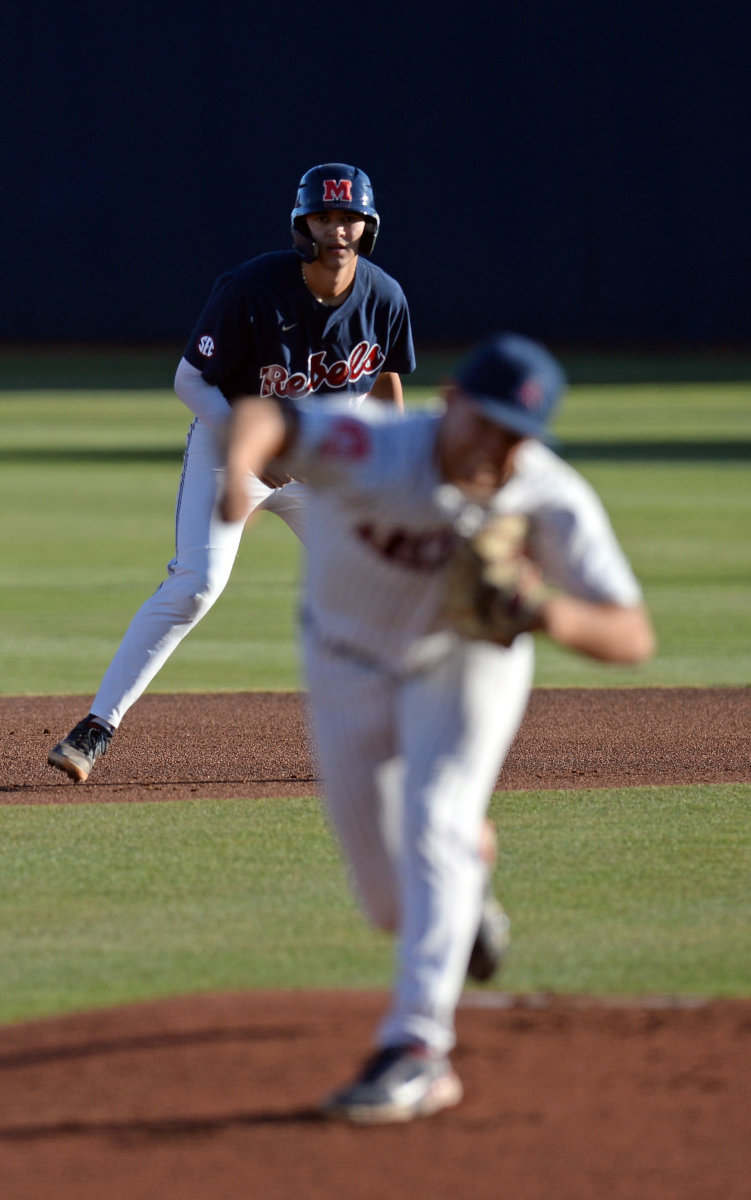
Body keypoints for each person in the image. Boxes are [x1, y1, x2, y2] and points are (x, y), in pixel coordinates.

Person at [218, 332, 656, 1124]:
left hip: (463, 665)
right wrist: (228, 484)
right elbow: (264, 417)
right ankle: (472, 881)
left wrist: (543, 610)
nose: (496, 448)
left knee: (434, 823)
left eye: (516, 436)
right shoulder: (379, 443)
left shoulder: (545, 494)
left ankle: (417, 1047)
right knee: (388, 904)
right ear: (448, 402)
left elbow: (631, 634)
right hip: (343, 662)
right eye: (483, 422)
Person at [48, 163, 415, 783]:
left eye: (349, 216)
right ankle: (96, 726)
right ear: (303, 224)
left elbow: (385, 382)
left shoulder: (385, 297)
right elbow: (190, 379)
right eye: (324, 217)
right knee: (197, 583)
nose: (337, 229)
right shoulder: (251, 288)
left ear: (368, 225)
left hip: (321, 463)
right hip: (231, 454)